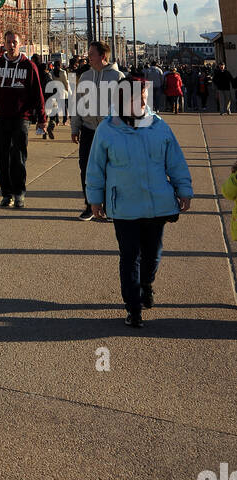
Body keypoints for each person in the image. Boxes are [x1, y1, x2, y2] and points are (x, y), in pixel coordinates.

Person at [85, 68, 192, 328]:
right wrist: (95, 199)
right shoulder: (107, 130)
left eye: (144, 97)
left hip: (157, 205)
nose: (142, 102)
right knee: (129, 256)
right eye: (136, 98)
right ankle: (133, 307)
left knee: (153, 254)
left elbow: (175, 162)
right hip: (124, 205)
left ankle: (147, 285)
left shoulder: (159, 127)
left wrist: (184, 190)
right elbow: (95, 168)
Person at [0, 29, 44, 209]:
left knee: (18, 156)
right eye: (8, 42)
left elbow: (37, 93)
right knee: (2, 157)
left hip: (21, 118)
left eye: (14, 42)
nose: (12, 45)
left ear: (20, 44)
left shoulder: (29, 66)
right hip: (1, 117)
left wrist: (42, 118)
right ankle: (6, 194)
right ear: (4, 44)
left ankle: (19, 193)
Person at [72, 40, 122, 220]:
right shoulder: (85, 77)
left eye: (91, 54)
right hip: (88, 130)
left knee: (110, 170)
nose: (88, 57)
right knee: (85, 168)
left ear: (103, 56)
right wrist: (74, 127)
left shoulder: (118, 77)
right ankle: (89, 205)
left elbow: (124, 108)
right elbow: (77, 103)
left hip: (109, 132)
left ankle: (109, 207)